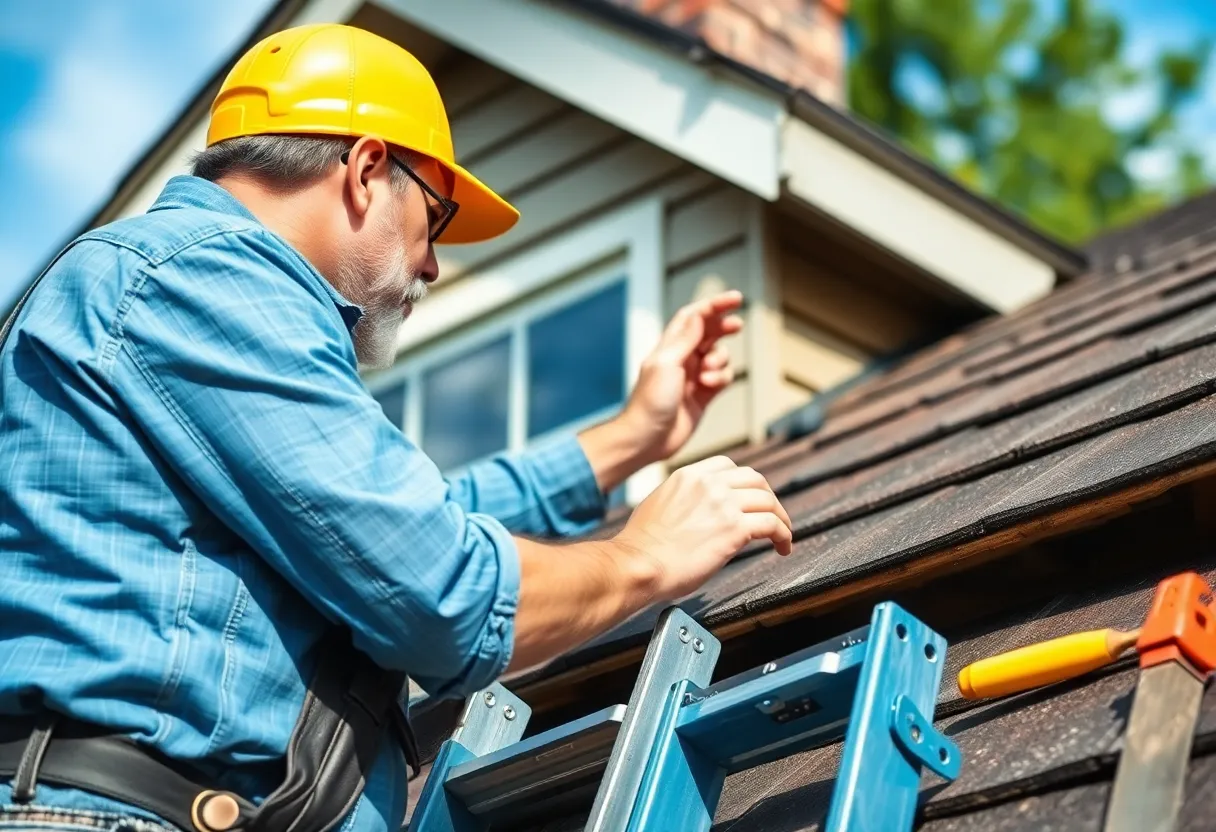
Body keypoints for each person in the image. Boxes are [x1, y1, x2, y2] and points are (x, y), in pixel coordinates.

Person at [0, 22, 792, 832]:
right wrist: (643, 558)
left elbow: (397, 526)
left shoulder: (172, 287)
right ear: (368, 170)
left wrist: (632, 438)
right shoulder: (203, 275)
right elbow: (439, 589)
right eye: (436, 216)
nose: (434, 264)